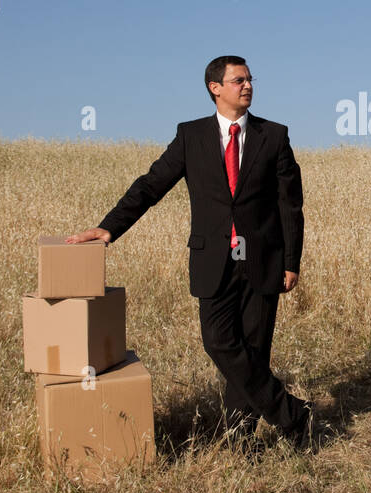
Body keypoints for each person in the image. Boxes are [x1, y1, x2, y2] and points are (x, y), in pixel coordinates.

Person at [67, 56, 317, 451]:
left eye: (249, 79)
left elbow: (291, 204)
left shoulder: (274, 136)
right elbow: (150, 186)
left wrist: (291, 262)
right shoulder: (191, 136)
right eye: (238, 80)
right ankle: (293, 414)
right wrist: (109, 227)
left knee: (253, 353)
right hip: (213, 261)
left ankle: (241, 443)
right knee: (218, 342)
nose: (248, 86)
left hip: (262, 260)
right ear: (215, 88)